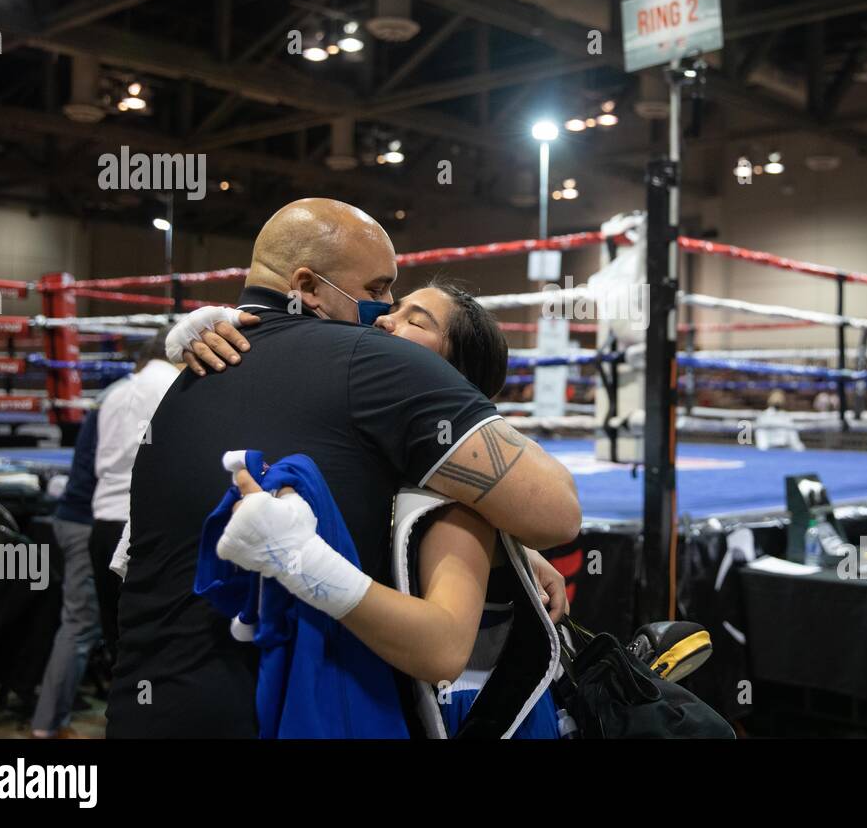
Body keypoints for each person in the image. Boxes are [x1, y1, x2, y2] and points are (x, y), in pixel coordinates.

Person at [106, 199, 580, 738]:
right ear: (307, 286)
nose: (383, 316)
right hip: (273, 709)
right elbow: (554, 512)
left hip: (153, 703)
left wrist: (305, 561)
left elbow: (446, 641)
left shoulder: (190, 380)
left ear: (448, 374)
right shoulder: (351, 364)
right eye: (379, 292)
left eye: (408, 315)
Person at [91, 330, 182, 664]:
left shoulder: (113, 395)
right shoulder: (176, 387)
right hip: (140, 527)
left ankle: (124, 711)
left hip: (102, 523)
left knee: (119, 643)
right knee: (151, 647)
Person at [30, 409, 103, 738]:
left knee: (81, 624)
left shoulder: (110, 402)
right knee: (79, 625)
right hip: (85, 522)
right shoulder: (125, 403)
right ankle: (47, 726)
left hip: (77, 520)